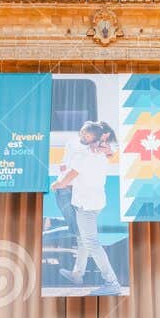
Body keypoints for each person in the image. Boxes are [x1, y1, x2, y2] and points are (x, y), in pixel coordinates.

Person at [52, 120, 124, 294]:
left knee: (91, 242)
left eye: (88, 134)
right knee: (85, 239)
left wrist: (58, 184)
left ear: (99, 137)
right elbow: (108, 155)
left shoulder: (83, 156)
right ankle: (78, 273)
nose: (83, 135)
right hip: (95, 202)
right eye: (82, 133)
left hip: (86, 205)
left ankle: (112, 283)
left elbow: (67, 178)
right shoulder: (101, 153)